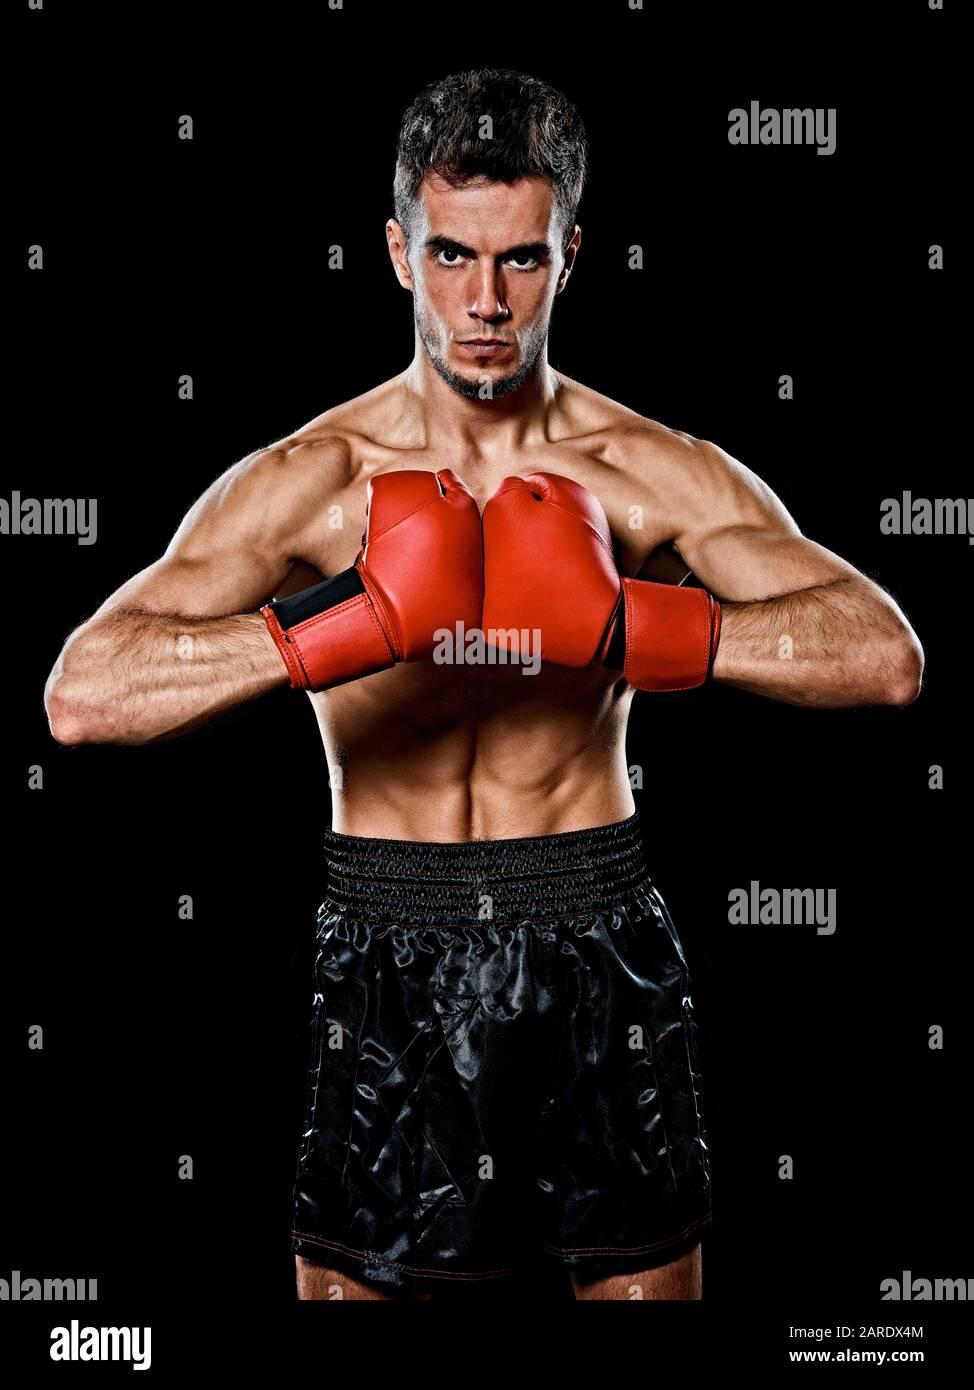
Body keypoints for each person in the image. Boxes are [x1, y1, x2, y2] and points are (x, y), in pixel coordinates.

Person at [43, 68, 923, 1301]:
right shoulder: (313, 476)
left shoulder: (642, 469)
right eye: (452, 255)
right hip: (384, 943)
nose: (484, 302)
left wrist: (633, 626)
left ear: (571, 256)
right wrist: (335, 626)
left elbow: (880, 654)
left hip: (594, 930)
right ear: (397, 252)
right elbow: (84, 693)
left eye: (519, 260)